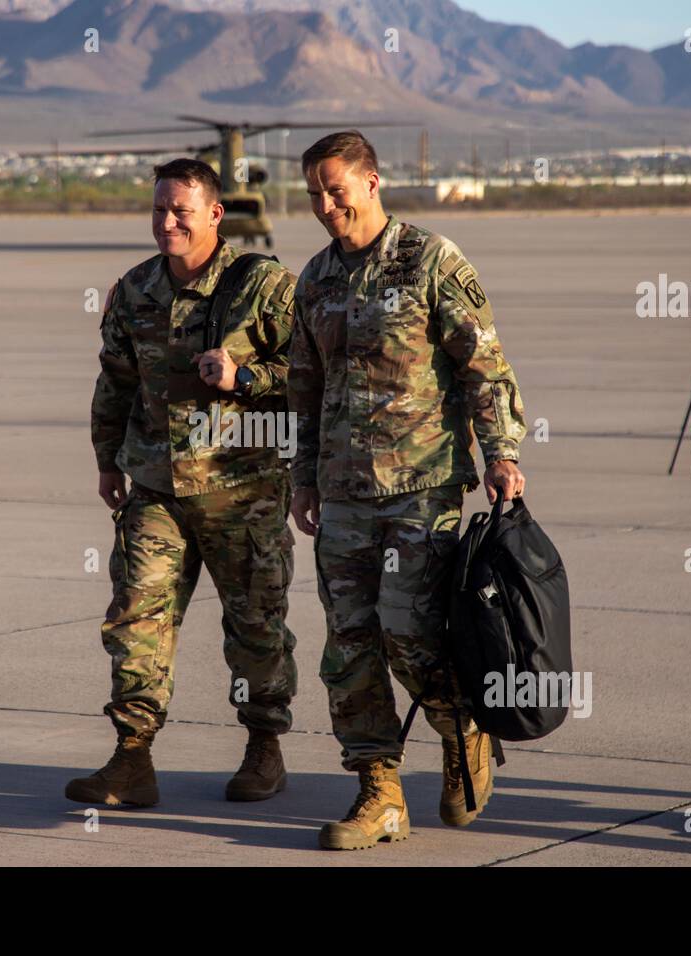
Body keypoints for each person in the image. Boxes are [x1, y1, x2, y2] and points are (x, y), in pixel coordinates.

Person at [288, 131, 527, 850]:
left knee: (411, 635)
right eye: (314, 195)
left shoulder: (429, 260)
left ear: (371, 181)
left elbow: (484, 365)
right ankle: (379, 793)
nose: (326, 205)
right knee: (348, 645)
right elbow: (305, 387)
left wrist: (503, 454)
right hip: (343, 495)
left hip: (422, 488)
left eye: (336, 189)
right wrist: (302, 476)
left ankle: (464, 731)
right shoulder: (316, 278)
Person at [69, 158, 298, 807]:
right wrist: (106, 458)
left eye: (181, 212)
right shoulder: (136, 288)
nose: (167, 222)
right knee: (136, 618)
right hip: (156, 486)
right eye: (159, 209)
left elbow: (313, 376)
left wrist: (246, 379)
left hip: (242, 491)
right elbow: (114, 380)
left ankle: (264, 747)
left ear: (215, 216)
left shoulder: (266, 287)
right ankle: (132, 759)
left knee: (256, 626)